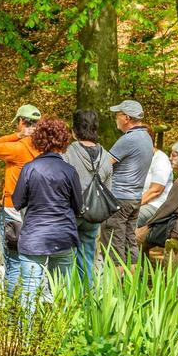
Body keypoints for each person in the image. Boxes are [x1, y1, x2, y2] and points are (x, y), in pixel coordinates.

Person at [11, 119, 82, 310]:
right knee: (60, 292)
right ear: (63, 141)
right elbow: (78, 206)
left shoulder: (29, 168)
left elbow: (17, 202)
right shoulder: (70, 171)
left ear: (39, 140)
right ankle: (57, 336)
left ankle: (26, 338)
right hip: (63, 236)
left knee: (29, 292)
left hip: (34, 236)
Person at [0, 104, 41, 295]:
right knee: (32, 259)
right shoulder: (44, 147)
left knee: (13, 260)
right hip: (36, 208)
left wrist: (17, 136)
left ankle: (11, 305)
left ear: (21, 122)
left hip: (12, 207)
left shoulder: (18, 148)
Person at [62, 110, 113, 285]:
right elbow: (108, 189)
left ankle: (68, 302)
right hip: (94, 215)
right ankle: (87, 301)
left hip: (71, 213)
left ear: (74, 130)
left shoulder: (68, 153)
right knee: (87, 259)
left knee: (67, 261)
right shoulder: (106, 156)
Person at [99, 100, 154, 264]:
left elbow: (104, 164)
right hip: (135, 198)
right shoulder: (146, 138)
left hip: (118, 199)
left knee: (113, 247)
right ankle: (132, 285)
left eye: (118, 114)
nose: (116, 118)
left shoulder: (128, 140)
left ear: (126, 118)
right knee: (130, 244)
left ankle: (115, 288)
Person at [136, 142, 178, 251]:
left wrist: (147, 225)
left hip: (175, 228)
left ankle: (133, 267)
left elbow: (167, 208)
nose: (170, 158)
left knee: (132, 237)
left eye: (174, 155)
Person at [135, 144, 172, 227]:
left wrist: (133, 205)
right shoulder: (141, 157)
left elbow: (155, 190)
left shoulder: (161, 160)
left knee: (127, 217)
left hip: (154, 205)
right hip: (140, 201)